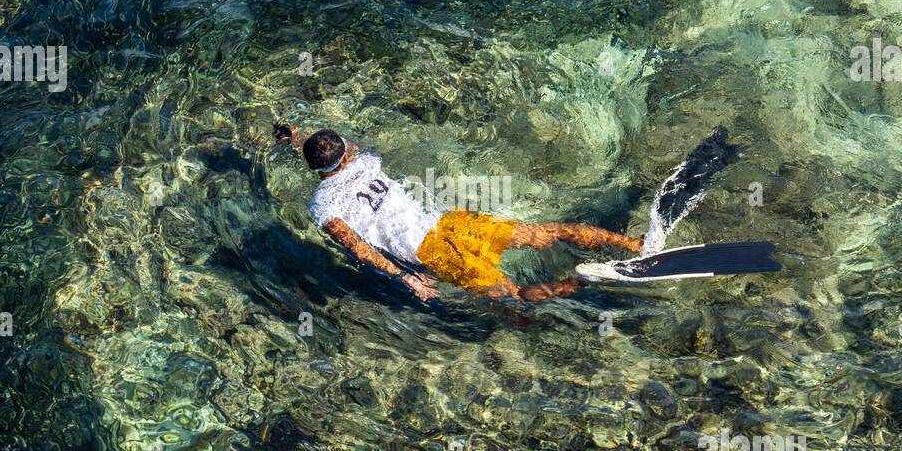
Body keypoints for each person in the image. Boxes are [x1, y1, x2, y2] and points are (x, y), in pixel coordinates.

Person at [274, 123, 639, 302]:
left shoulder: (322, 205)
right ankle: (629, 244)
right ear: (346, 154)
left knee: (512, 295)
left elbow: (359, 248)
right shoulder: (366, 161)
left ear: (313, 168)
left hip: (428, 252)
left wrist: (405, 279)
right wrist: (296, 135)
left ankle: (588, 282)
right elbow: (336, 148)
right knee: (545, 232)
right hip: (448, 224)